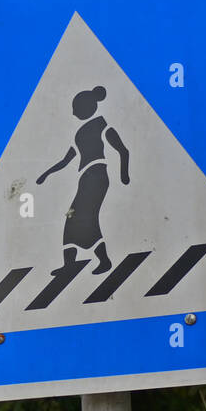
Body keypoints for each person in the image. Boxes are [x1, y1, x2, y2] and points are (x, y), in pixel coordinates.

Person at [36, 86, 131, 276]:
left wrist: (124, 174)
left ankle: (103, 261)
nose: (73, 112)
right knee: (74, 218)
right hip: (86, 179)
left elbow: (123, 150)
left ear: (86, 107)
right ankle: (72, 264)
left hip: (97, 177)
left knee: (85, 218)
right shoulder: (79, 134)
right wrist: (45, 174)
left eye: (76, 107)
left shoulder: (101, 125)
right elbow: (65, 161)